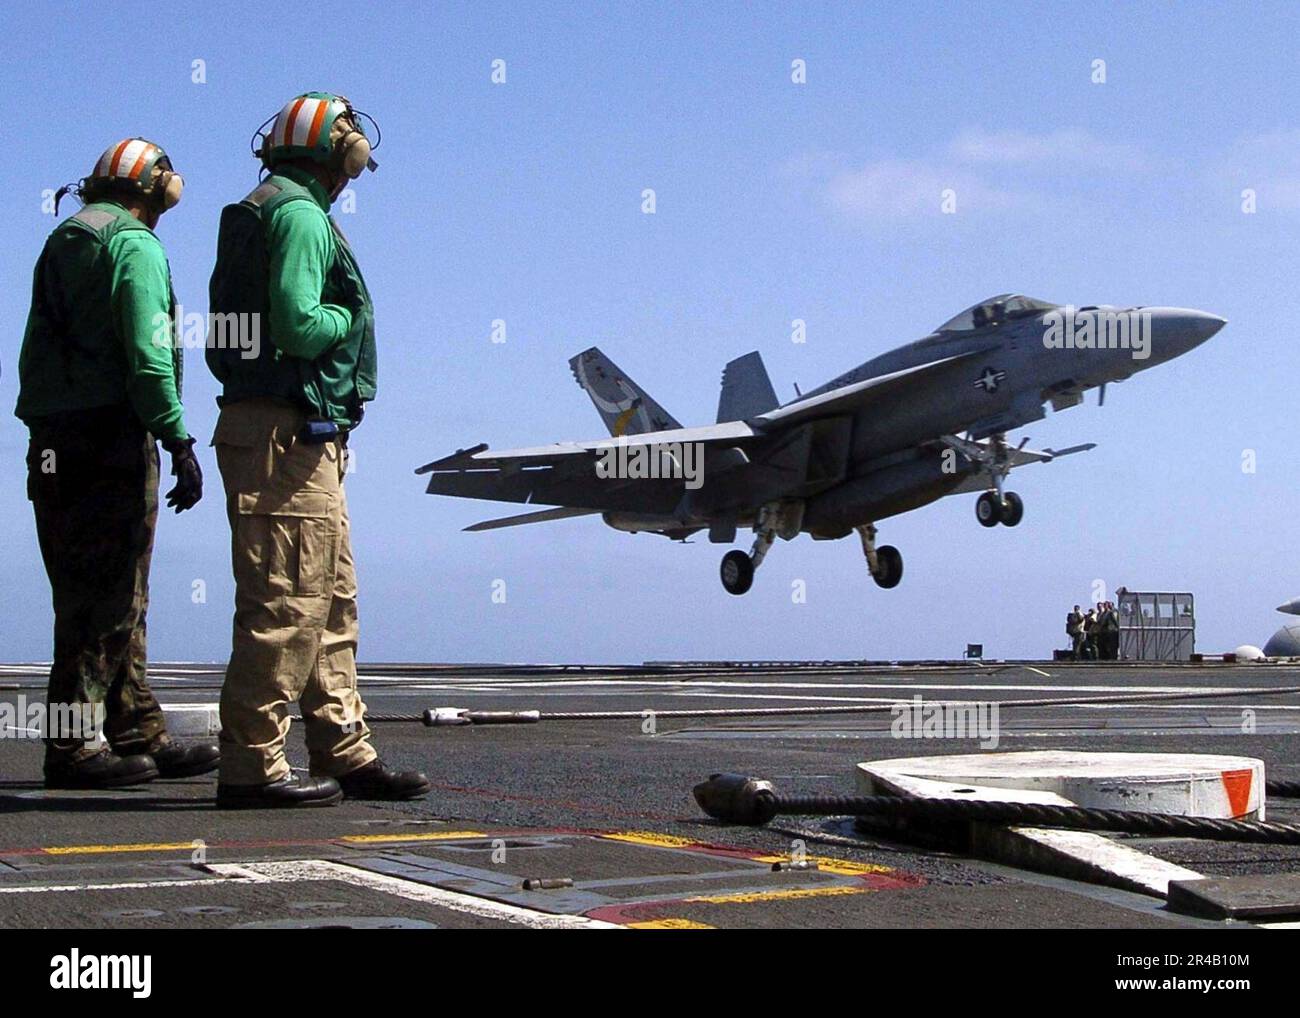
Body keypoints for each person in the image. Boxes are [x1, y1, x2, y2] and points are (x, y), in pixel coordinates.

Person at [206, 93, 429, 808]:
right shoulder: (299, 215)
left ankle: (344, 750)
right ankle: (251, 765)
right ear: (336, 150)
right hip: (286, 436)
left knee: (329, 601)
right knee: (286, 603)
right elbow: (301, 326)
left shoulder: (263, 207)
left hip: (295, 436)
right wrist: (346, 314)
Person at [16, 139, 218, 789]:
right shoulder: (133, 244)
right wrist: (177, 437)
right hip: (107, 438)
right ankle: (73, 749)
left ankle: (137, 729)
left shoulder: (69, 237)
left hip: (54, 438)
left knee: (104, 592)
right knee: (106, 597)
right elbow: (147, 349)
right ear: (154, 186)